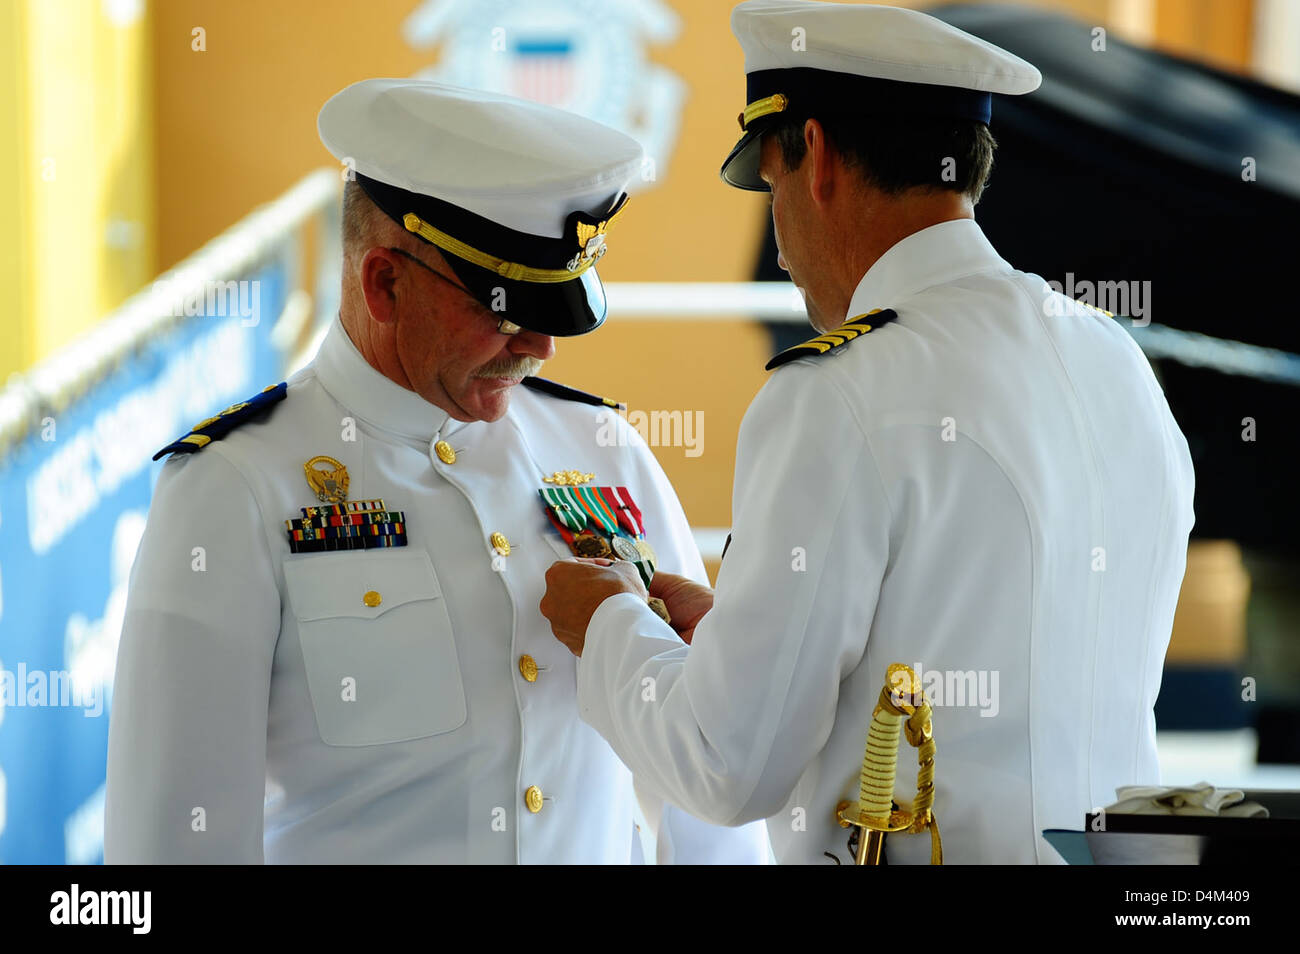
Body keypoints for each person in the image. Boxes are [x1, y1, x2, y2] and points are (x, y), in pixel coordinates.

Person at [540, 0, 1196, 864]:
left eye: (769, 183)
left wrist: (612, 628)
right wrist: (727, 634)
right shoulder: (1115, 361)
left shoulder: (837, 393)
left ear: (814, 156)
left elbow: (726, 767)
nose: (777, 242)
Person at [105, 78, 770, 864]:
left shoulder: (602, 447)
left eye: (551, 309)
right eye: (505, 308)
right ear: (385, 282)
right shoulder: (236, 489)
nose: (540, 347)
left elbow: (711, 814)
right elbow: (173, 843)